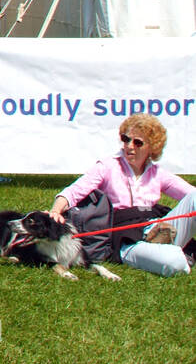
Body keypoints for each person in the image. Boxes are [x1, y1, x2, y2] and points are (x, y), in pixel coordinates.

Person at [49, 113, 195, 277]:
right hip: (126, 237)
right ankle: (174, 252)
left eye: (138, 142)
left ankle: (164, 244)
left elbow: (190, 194)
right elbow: (74, 191)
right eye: (126, 139)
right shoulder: (107, 166)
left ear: (152, 147)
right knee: (176, 262)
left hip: (157, 224)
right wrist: (56, 211)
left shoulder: (158, 173)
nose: (129, 146)